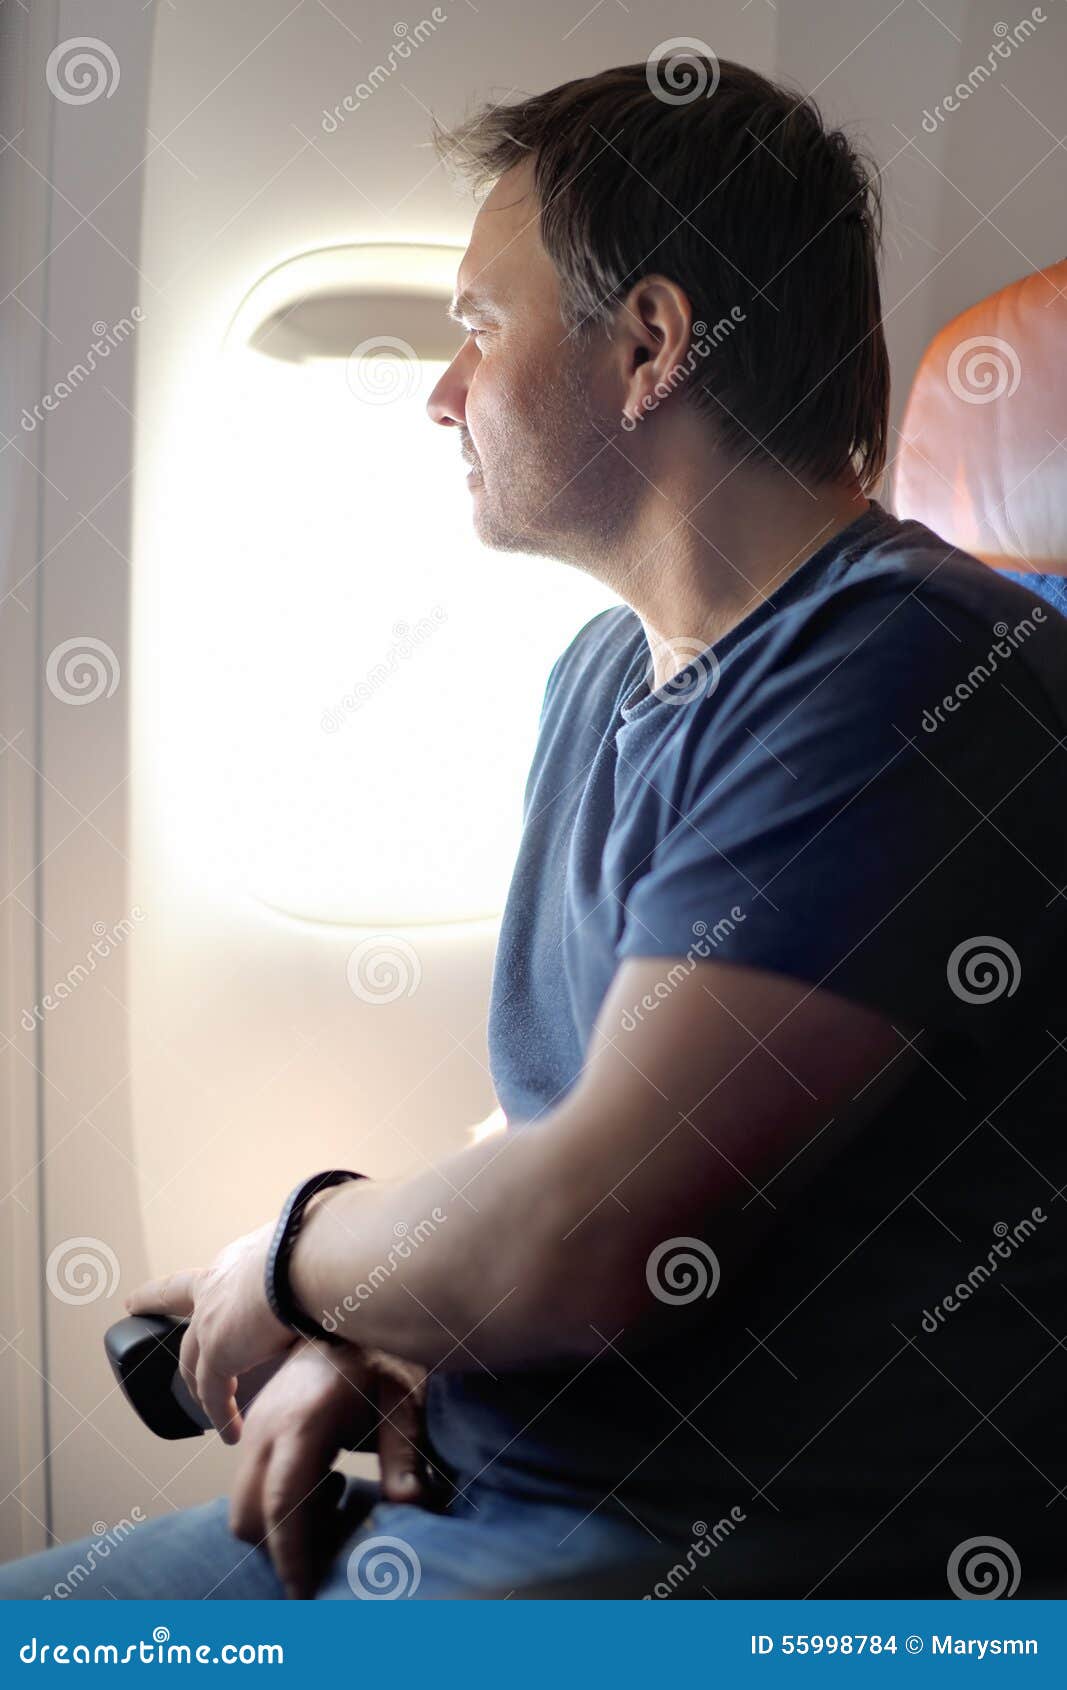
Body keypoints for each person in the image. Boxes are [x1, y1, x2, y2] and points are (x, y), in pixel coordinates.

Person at [4, 56, 1067, 1602]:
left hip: (739, 1563)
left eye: (475, 328)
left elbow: (590, 1235)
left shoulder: (906, 668)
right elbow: (563, 1125)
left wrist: (288, 1261)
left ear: (649, 343)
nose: (444, 389)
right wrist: (375, 1336)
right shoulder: (602, 677)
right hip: (507, 1495)